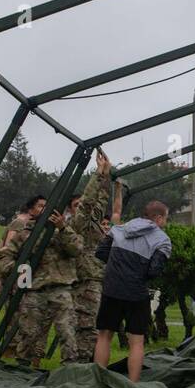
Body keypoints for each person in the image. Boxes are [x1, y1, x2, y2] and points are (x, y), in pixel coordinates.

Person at [0, 200, 81, 368]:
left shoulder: (64, 230)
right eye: (41, 206)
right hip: (34, 289)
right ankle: (22, 368)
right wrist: (20, 269)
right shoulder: (26, 232)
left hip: (61, 287)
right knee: (29, 333)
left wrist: (62, 228)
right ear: (32, 211)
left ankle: (70, 369)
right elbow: (4, 256)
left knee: (67, 331)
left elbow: (76, 249)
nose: (45, 209)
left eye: (47, 206)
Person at [94, 199, 172, 381]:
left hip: (111, 289)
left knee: (104, 335)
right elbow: (154, 271)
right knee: (136, 341)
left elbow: (101, 253)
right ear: (159, 218)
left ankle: (96, 381)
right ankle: (132, 386)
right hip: (136, 294)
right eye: (166, 218)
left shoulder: (119, 229)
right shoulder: (163, 240)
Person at [67, 149, 121, 363]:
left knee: (95, 327)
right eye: (76, 205)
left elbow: (100, 202)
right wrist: (98, 174)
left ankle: (88, 364)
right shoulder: (78, 224)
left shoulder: (94, 225)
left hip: (97, 280)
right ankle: (82, 366)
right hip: (86, 281)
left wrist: (106, 176)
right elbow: (88, 203)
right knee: (86, 326)